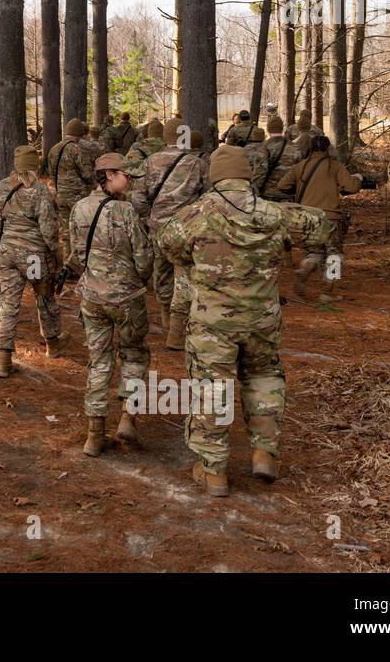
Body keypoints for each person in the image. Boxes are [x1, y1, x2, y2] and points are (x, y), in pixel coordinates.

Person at [160, 146, 332, 497]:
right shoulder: (274, 213)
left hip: (212, 324)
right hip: (262, 320)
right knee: (264, 376)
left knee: (212, 388)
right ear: (246, 176)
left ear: (215, 177)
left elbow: (168, 246)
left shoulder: (196, 214)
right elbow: (320, 224)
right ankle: (263, 452)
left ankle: (214, 471)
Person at [68, 153, 153, 455]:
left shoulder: (79, 208)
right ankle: (129, 417)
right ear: (109, 175)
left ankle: (94, 434)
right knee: (134, 354)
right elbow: (143, 258)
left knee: (99, 361)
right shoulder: (127, 212)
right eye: (125, 175)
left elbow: (78, 254)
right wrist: (139, 279)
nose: (129, 181)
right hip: (128, 297)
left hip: (92, 297)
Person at [133, 116, 208, 350]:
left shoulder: (150, 162)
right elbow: (208, 196)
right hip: (186, 228)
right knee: (184, 275)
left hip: (158, 227)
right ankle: (177, 328)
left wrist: (149, 217)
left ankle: (165, 311)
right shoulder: (197, 164)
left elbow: (138, 197)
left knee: (161, 269)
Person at [0, 145, 62, 377]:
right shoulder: (40, 191)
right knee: (44, 297)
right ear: (35, 166)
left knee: (8, 306)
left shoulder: (2, 187)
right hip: (32, 256)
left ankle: (3, 360)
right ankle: (52, 344)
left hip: (7, 253)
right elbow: (48, 229)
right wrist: (54, 252)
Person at [277, 134, 362, 301]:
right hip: (329, 218)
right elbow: (351, 187)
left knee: (315, 250)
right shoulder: (334, 166)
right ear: (327, 148)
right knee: (335, 255)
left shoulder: (301, 166)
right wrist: (358, 178)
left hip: (306, 218)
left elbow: (282, 185)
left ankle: (306, 267)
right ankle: (327, 292)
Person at [47, 118, 94, 262]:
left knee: (66, 232)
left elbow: (50, 172)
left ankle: (68, 264)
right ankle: (80, 263)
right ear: (79, 133)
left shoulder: (54, 149)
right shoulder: (76, 149)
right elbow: (87, 174)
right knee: (81, 230)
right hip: (78, 197)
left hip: (60, 195)